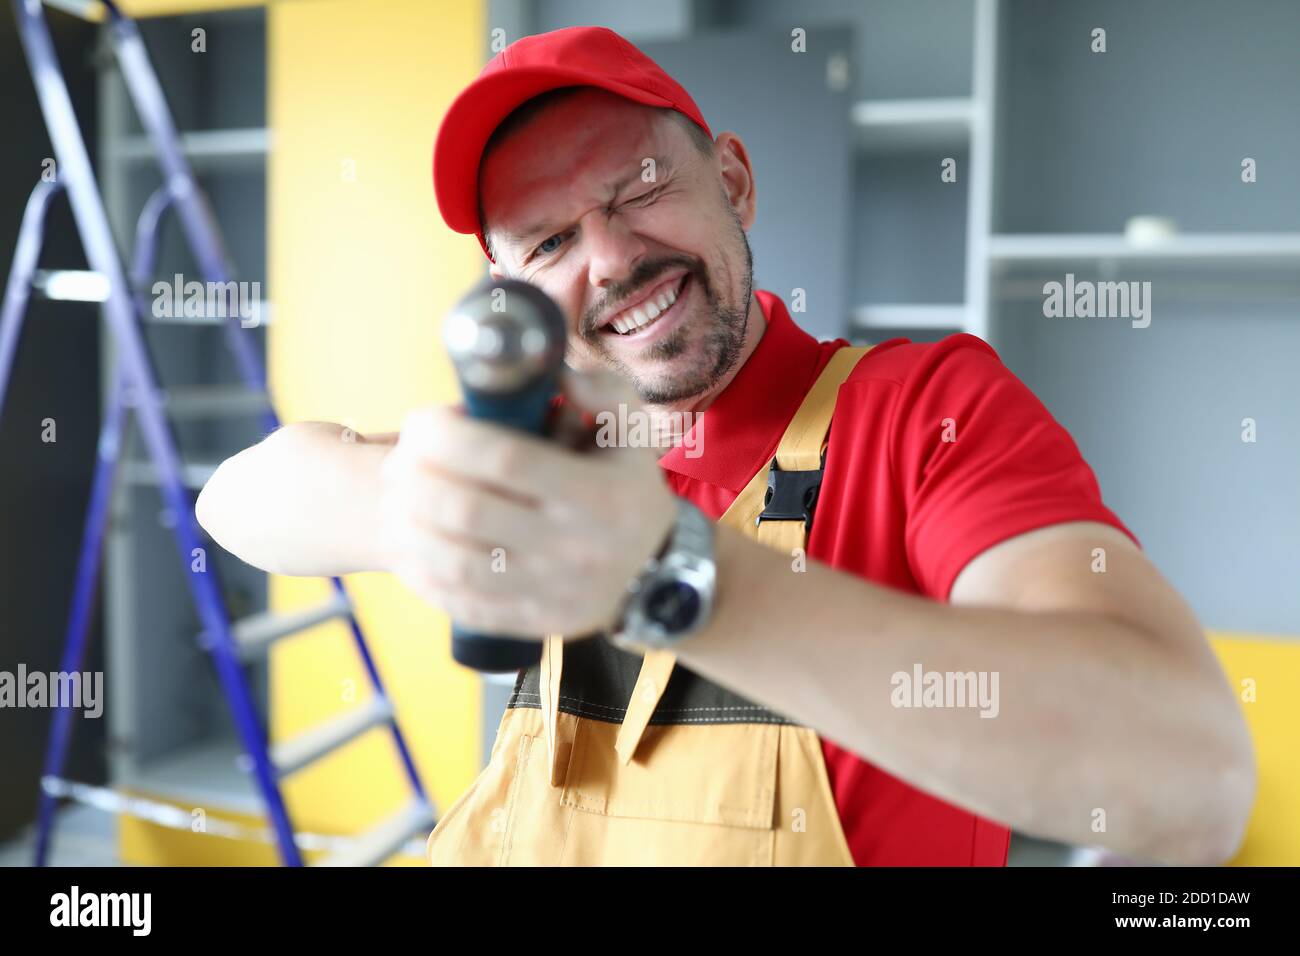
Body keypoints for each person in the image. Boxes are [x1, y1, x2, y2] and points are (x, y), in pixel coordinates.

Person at [196, 25, 1255, 866]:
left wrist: (669, 571)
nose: (610, 259)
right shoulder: (546, 450)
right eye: (550, 242)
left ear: (733, 182)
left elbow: (1188, 779)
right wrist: (419, 503)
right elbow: (237, 501)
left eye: (641, 188)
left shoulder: (925, 409)